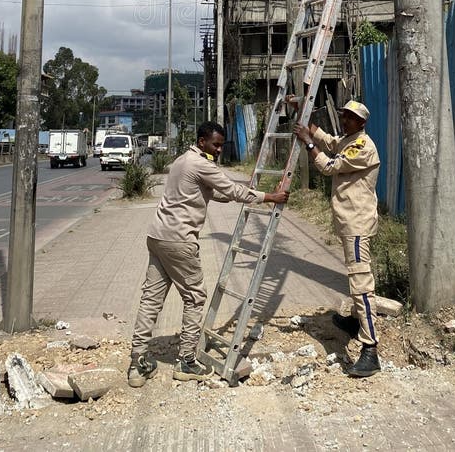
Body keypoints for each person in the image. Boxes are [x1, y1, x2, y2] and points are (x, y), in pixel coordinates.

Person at [128, 121, 289, 387]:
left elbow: (213, 192)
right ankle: (187, 360)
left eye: (221, 145)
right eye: (215, 144)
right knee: (195, 297)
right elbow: (232, 190)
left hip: (157, 236)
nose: (219, 149)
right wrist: (270, 197)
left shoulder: (182, 160)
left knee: (151, 299)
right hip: (180, 240)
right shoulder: (202, 164)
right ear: (201, 141)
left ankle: (137, 362)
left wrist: (243, 192)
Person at [288, 97, 382, 377]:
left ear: (361, 122)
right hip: (349, 222)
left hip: (357, 223)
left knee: (361, 283)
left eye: (350, 118)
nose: (345, 120)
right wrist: (306, 119)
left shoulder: (363, 146)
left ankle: (370, 349)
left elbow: (329, 165)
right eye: (344, 116)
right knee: (356, 279)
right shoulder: (349, 139)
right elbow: (330, 141)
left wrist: (307, 141)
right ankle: (355, 323)